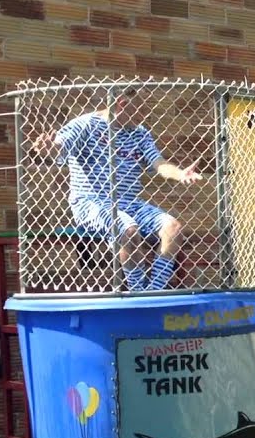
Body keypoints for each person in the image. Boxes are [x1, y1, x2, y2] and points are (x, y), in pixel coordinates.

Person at [33, 86, 203, 291]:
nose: (145, 117)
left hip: (130, 203)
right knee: (128, 229)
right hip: (92, 203)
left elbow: (159, 163)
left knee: (173, 228)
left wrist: (181, 174)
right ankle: (138, 292)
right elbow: (59, 149)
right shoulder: (85, 125)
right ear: (123, 104)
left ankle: (154, 291)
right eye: (142, 110)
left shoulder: (139, 134)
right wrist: (49, 148)